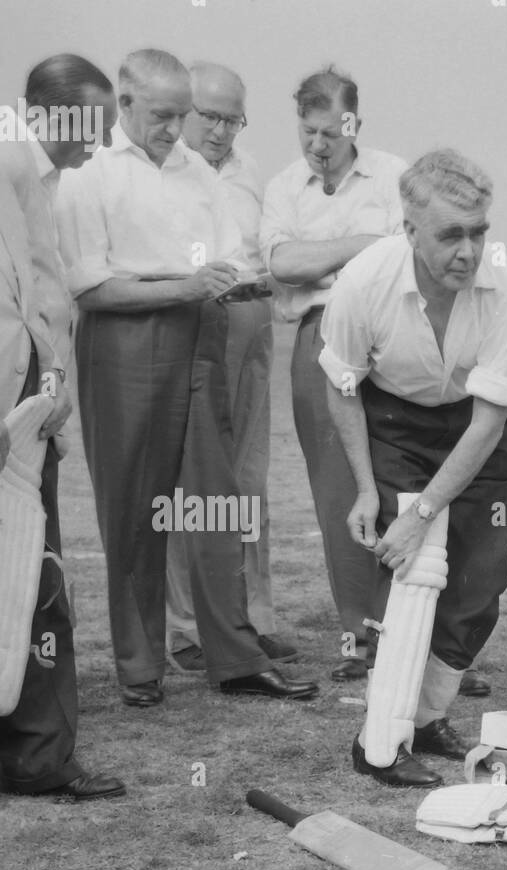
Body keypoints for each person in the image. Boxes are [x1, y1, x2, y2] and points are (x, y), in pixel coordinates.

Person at [55, 48, 318, 707]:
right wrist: (183, 282)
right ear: (124, 106)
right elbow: (89, 288)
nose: (174, 130)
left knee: (214, 499)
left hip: (201, 327)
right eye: (163, 116)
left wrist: (218, 281)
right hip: (123, 339)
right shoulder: (89, 175)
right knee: (135, 508)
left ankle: (235, 657)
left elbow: (234, 253)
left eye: (181, 117)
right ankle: (141, 669)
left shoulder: (195, 169)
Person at [319, 148, 507, 786]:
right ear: (409, 231)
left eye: (478, 232)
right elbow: (342, 384)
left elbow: (489, 422)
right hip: (392, 420)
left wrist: (423, 510)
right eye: (450, 235)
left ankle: (428, 718)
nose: (468, 251)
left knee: (482, 579)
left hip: (473, 423)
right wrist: (366, 489)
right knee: (413, 570)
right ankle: (379, 741)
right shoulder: (364, 280)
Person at [260, 66, 406, 681]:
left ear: (354, 124)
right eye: (307, 131)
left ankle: (410, 636)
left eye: (329, 132)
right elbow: (283, 266)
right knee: (338, 490)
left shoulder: (396, 175)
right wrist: (356, 246)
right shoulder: (284, 187)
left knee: (400, 482)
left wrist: (327, 257)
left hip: (389, 336)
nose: (317, 145)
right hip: (316, 336)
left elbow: (404, 257)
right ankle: (359, 639)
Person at [165, 61, 296, 673]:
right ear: (184, 112)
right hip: (191, 326)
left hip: (252, 324)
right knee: (189, 483)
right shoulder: (160, 170)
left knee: (248, 480)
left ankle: (254, 618)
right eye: (210, 117)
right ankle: (188, 628)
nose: (221, 131)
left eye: (232, 119)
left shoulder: (252, 176)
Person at [0, 158, 122, 799]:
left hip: (21, 408)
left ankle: (38, 754)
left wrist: (51, 381)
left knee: (35, 578)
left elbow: (43, 281)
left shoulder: (9, 154)